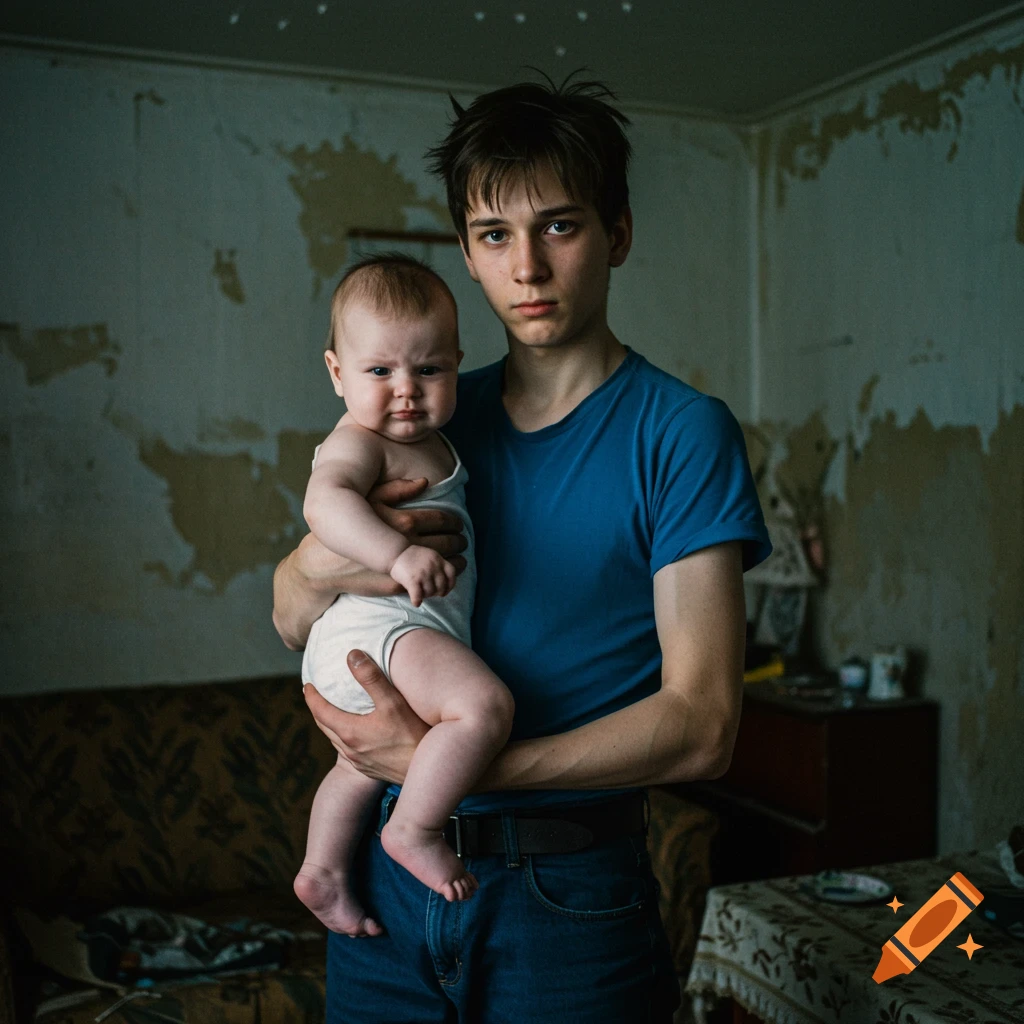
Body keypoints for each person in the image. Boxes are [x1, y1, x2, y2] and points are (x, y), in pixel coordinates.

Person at [273, 74, 771, 1024]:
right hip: (385, 883)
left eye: (561, 226)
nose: (528, 268)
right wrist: (324, 563)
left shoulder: (679, 432)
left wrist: (447, 760)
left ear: (617, 233)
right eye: (496, 235)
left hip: (567, 895)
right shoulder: (425, 413)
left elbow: (704, 726)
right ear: (466, 249)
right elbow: (290, 612)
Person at [294, 254, 514, 937]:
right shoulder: (358, 442)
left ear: (456, 363)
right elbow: (323, 502)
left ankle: (323, 871)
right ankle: (413, 830)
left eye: (429, 369)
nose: (406, 391)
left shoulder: (438, 443)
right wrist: (398, 552)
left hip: (386, 641)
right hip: (380, 632)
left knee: (356, 766)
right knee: (483, 707)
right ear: (337, 373)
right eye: (380, 371)